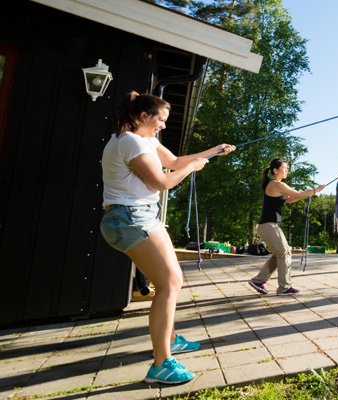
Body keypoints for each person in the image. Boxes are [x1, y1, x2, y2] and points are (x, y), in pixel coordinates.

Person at [100, 91, 236, 384]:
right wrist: (192, 169)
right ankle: (161, 364)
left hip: (138, 217)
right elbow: (162, 181)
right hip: (130, 219)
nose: (163, 125)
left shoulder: (145, 140)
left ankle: (170, 338)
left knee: (168, 282)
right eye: (160, 120)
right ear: (144, 116)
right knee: (170, 283)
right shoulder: (129, 142)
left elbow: (174, 161)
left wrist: (214, 150)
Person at [248, 158, 324, 295]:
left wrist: (307, 193)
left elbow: (290, 199)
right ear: (275, 170)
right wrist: (315, 190)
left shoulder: (277, 185)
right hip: (268, 225)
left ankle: (259, 281)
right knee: (285, 253)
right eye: (285, 168)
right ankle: (284, 287)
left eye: (287, 168)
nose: (287, 170)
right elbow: (297, 194)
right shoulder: (276, 184)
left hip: (267, 225)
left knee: (281, 253)